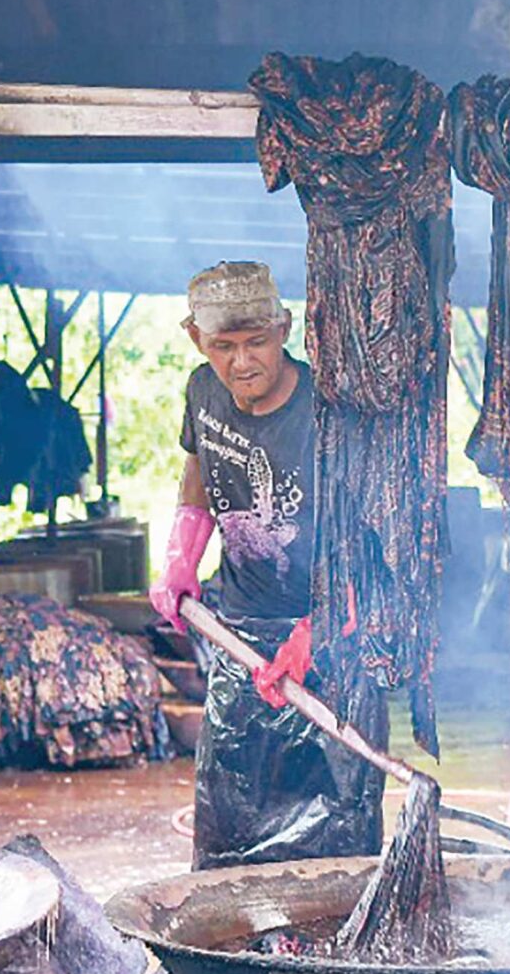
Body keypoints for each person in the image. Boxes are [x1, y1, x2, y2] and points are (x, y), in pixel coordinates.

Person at [149, 261, 384, 869]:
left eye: (256, 342)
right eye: (223, 346)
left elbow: (371, 533)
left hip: (332, 637)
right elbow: (197, 468)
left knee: (332, 827)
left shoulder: (327, 410)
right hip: (242, 630)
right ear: (196, 339)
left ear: (284, 329)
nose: (241, 362)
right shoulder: (203, 391)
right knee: (232, 819)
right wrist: (182, 556)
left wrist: (321, 630)